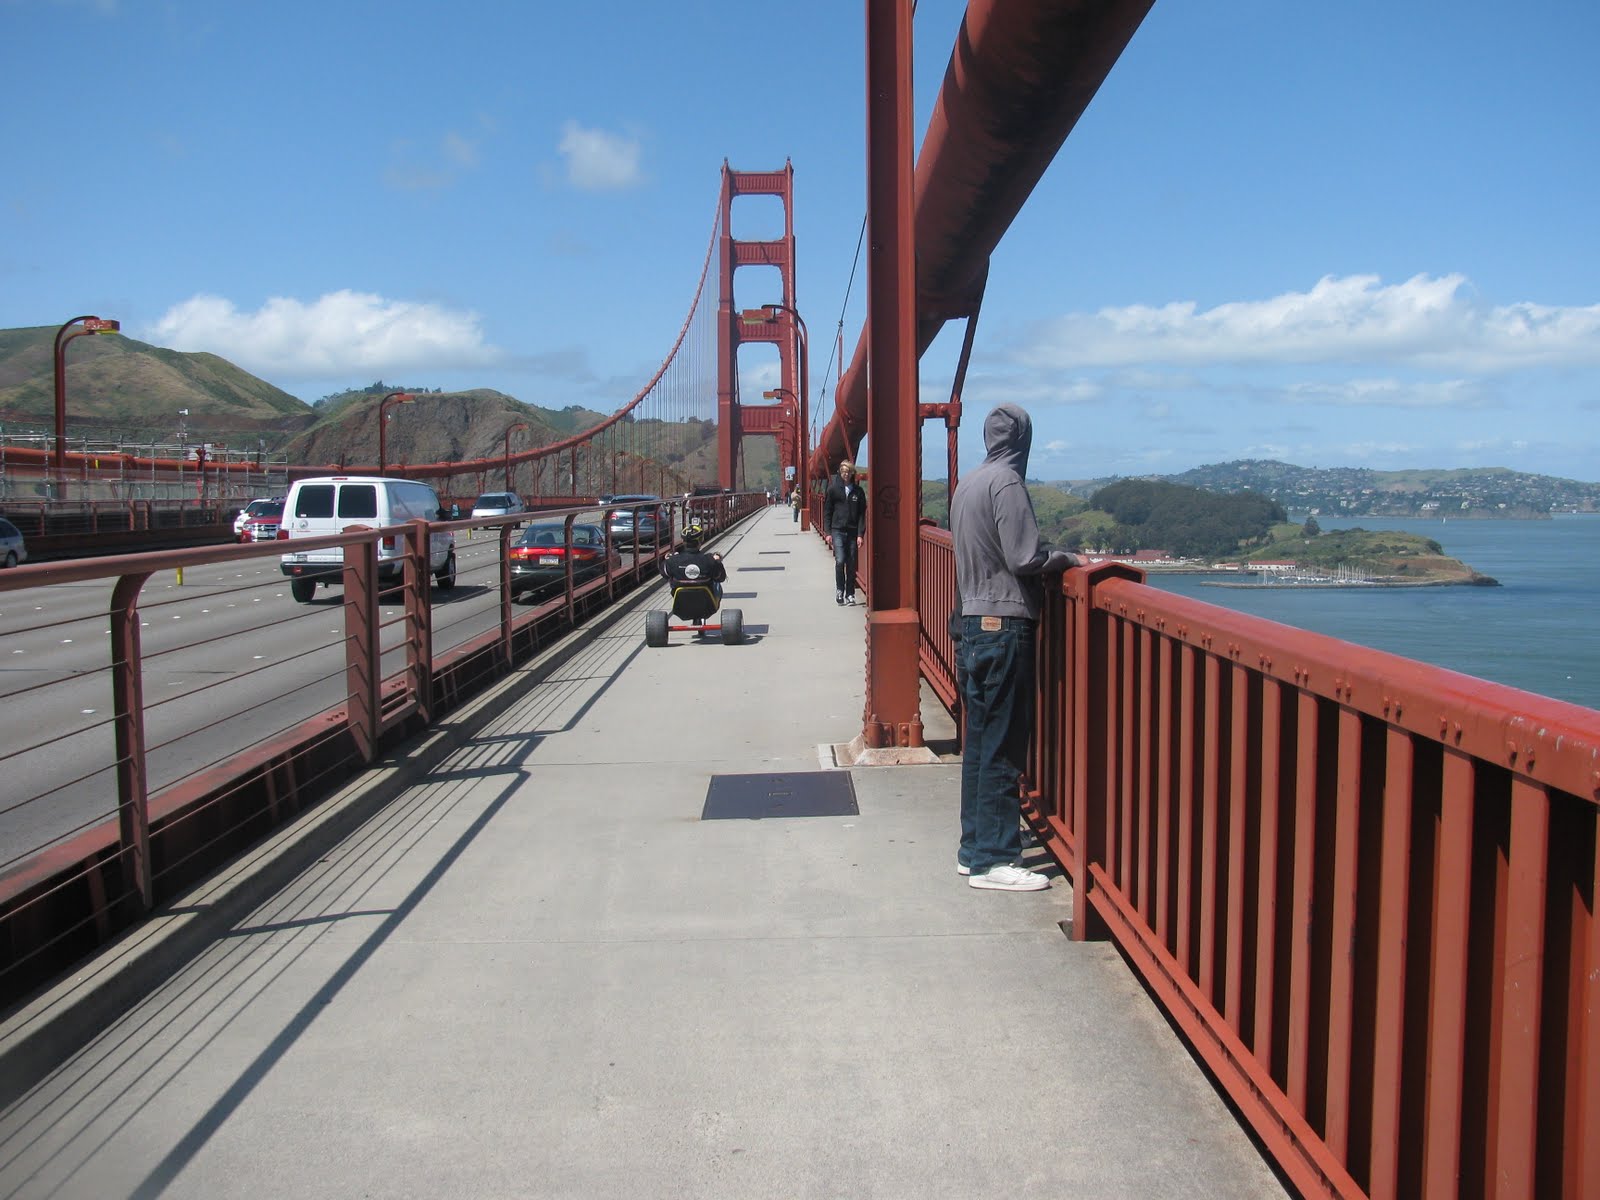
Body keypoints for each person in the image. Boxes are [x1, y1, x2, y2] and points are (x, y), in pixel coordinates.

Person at [949, 404, 1080, 891]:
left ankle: (973, 847)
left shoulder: (968, 484)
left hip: (972, 626)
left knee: (980, 745)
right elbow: (1025, 557)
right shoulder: (1007, 483)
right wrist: (1066, 557)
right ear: (1022, 438)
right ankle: (994, 860)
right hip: (1005, 627)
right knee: (1004, 746)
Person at [822, 461, 866, 605]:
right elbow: (827, 512)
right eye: (843, 471)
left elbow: (861, 515)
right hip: (837, 530)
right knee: (840, 560)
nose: (845, 474)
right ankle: (840, 590)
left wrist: (860, 534)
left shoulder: (858, 492)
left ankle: (850, 594)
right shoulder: (833, 490)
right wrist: (828, 532)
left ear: (852, 472)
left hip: (853, 531)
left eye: (848, 471)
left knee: (851, 563)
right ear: (840, 472)